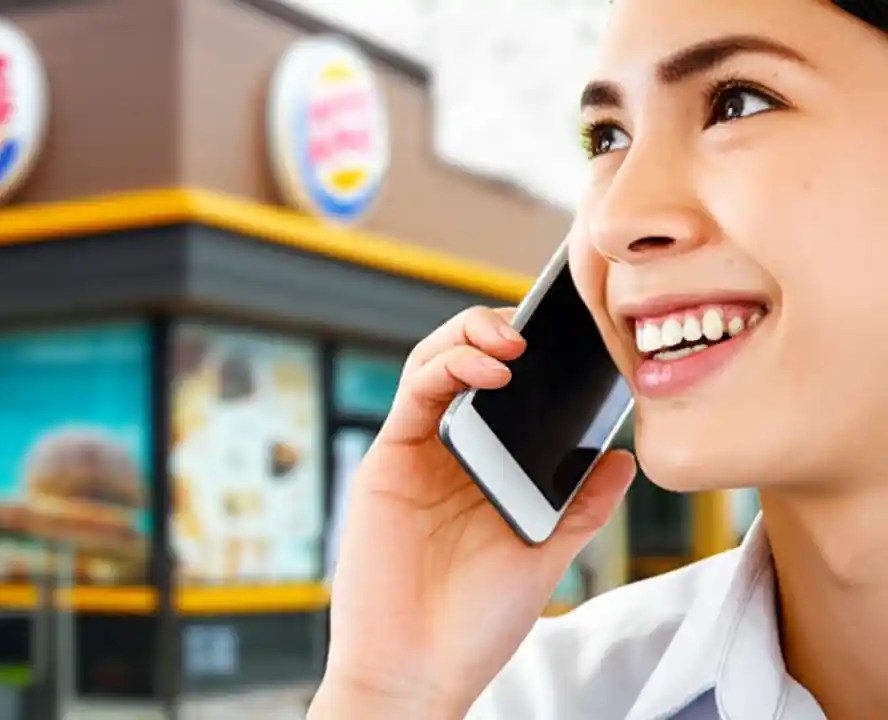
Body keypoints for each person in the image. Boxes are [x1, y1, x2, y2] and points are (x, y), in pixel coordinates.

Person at [308, 0, 888, 717]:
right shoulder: (549, 699)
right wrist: (389, 691)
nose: (613, 220)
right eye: (608, 137)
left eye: (738, 104)